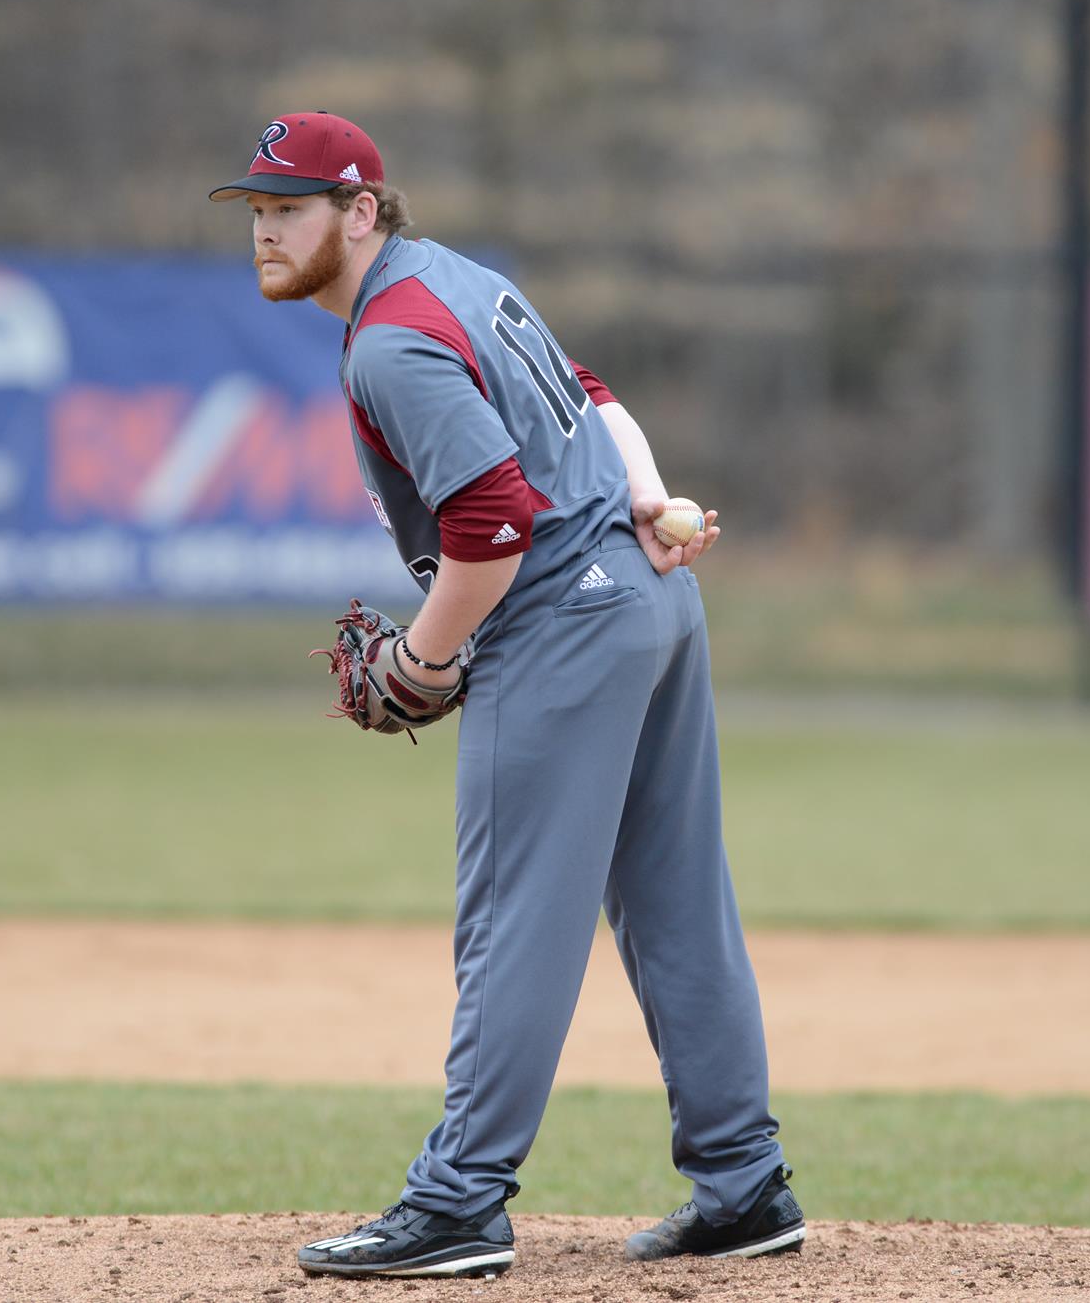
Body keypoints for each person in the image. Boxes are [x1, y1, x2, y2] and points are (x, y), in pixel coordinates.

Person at [210, 112, 803, 1280]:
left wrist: (421, 663)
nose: (267, 232)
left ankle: (457, 1201)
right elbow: (589, 390)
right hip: (646, 604)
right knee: (675, 901)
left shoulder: (389, 339)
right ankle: (742, 1184)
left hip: (561, 625)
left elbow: (490, 525)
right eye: (258, 212)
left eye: (291, 209)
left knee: (513, 924)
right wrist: (647, 495)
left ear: (361, 211)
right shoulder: (455, 280)